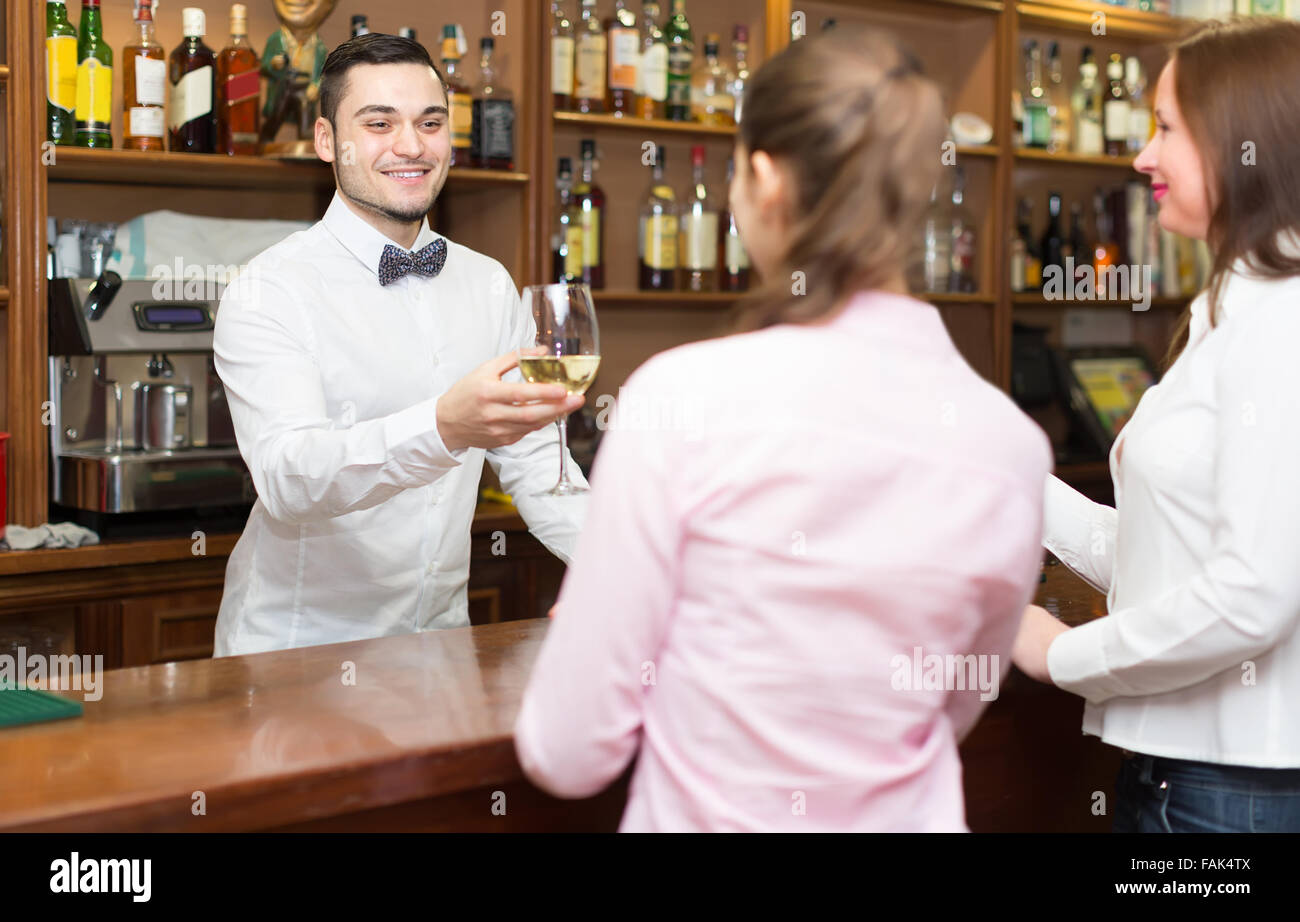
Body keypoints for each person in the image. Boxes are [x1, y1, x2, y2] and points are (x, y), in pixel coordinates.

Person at [514, 27, 1053, 832]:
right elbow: (953, 704)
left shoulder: (679, 398)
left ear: (763, 179)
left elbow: (569, 752)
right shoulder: (1011, 444)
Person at [1013, 17, 1300, 833]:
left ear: (1243, 140)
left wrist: (1055, 652)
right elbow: (1165, 555)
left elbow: (1254, 593)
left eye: (1167, 127)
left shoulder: (1281, 322)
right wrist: (1005, 477)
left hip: (1235, 793)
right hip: (1191, 780)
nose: (1142, 156)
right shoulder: (1228, 310)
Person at [212, 34, 587, 657]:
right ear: (329, 141)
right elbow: (287, 478)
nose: (411, 146)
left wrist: (630, 573)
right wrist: (442, 428)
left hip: (441, 648)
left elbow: (540, 469)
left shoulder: (489, 284)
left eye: (430, 122)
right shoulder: (268, 289)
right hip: (298, 657)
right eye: (379, 123)